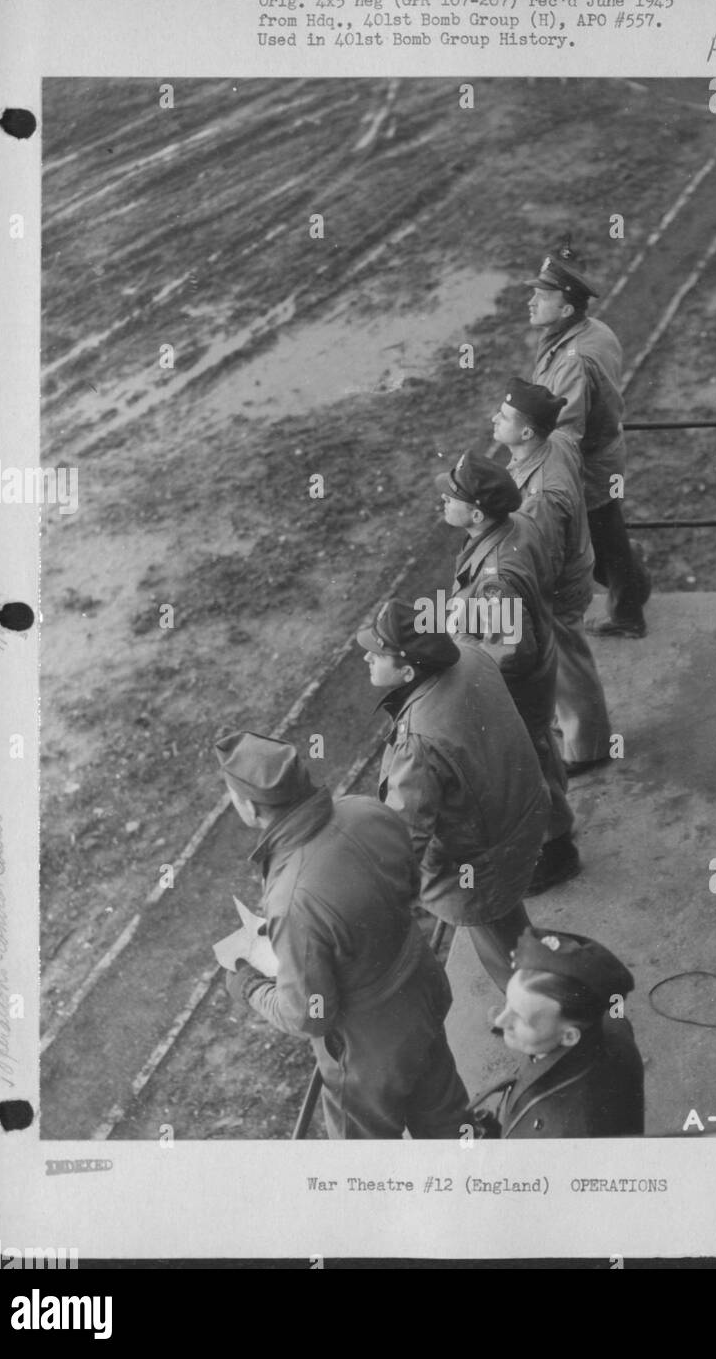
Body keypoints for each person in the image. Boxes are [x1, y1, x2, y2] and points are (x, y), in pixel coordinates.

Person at [215, 729, 470, 1140]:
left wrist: (249, 986)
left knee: (362, 1174)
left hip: (368, 1049)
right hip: (422, 991)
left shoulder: (292, 899)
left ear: (248, 806)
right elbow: (406, 886)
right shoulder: (366, 810)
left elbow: (310, 1016)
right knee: (450, 1124)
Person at [359, 598, 549, 990]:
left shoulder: (418, 740)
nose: (367, 660)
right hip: (521, 815)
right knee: (511, 926)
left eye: (377, 655)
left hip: (479, 863)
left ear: (408, 670)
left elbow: (404, 835)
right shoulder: (471, 656)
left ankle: (533, 1006)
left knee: (506, 952)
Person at [435, 448, 579, 893]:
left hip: (514, 685)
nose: (443, 501)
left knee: (525, 766)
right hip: (535, 672)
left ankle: (556, 853)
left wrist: (469, 671)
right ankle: (559, 827)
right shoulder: (511, 528)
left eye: (450, 497)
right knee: (538, 752)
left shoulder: (497, 573)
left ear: (476, 513)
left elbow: (511, 650)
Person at [528, 236, 652, 638]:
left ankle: (629, 610)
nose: (531, 302)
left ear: (565, 307)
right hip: (604, 455)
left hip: (585, 465)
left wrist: (542, 475)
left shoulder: (573, 359)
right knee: (606, 533)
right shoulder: (592, 330)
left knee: (596, 540)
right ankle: (631, 588)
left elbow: (566, 429)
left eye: (540, 296)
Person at [493, 376, 613, 776]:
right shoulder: (556, 442)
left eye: (504, 415)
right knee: (565, 660)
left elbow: (543, 555)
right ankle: (571, 727)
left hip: (556, 587)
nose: (495, 418)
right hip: (575, 570)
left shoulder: (541, 496)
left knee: (568, 665)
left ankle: (587, 748)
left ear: (526, 432)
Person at [470, 927, 645, 1138]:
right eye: (507, 1003)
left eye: (522, 1018)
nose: (499, 1020)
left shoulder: (566, 1130)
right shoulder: (608, 1023)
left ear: (570, 1036)